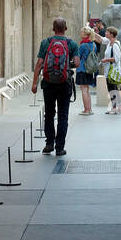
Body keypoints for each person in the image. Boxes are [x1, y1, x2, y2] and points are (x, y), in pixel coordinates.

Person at [31, 17, 79, 156]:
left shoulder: (46, 43)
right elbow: (77, 63)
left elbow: (39, 63)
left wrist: (34, 83)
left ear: (53, 28)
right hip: (64, 84)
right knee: (63, 115)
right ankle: (59, 147)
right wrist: (67, 64)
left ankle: (49, 144)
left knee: (49, 114)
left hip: (48, 83)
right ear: (66, 28)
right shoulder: (72, 44)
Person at [90, 24, 121, 114]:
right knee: (114, 89)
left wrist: (105, 60)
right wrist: (92, 32)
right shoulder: (109, 42)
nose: (105, 33)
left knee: (112, 89)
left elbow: (116, 59)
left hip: (113, 71)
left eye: (107, 32)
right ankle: (119, 107)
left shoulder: (115, 45)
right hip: (109, 70)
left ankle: (115, 108)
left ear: (111, 34)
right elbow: (100, 39)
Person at [75, 27, 99, 116]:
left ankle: (86, 110)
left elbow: (78, 57)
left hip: (82, 69)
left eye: (81, 32)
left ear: (85, 34)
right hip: (90, 69)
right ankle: (90, 109)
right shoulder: (93, 45)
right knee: (87, 89)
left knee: (83, 89)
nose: (80, 33)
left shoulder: (83, 45)